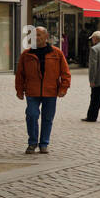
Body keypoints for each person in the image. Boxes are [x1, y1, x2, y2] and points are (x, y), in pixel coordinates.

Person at [15, 26, 70, 154]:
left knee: (47, 118)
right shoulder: (26, 54)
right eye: (34, 35)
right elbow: (20, 74)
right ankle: (32, 142)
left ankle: (44, 143)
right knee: (32, 115)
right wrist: (19, 90)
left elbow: (65, 73)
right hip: (32, 91)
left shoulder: (57, 53)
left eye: (39, 35)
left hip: (50, 91)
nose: (36, 38)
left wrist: (64, 88)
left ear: (46, 37)